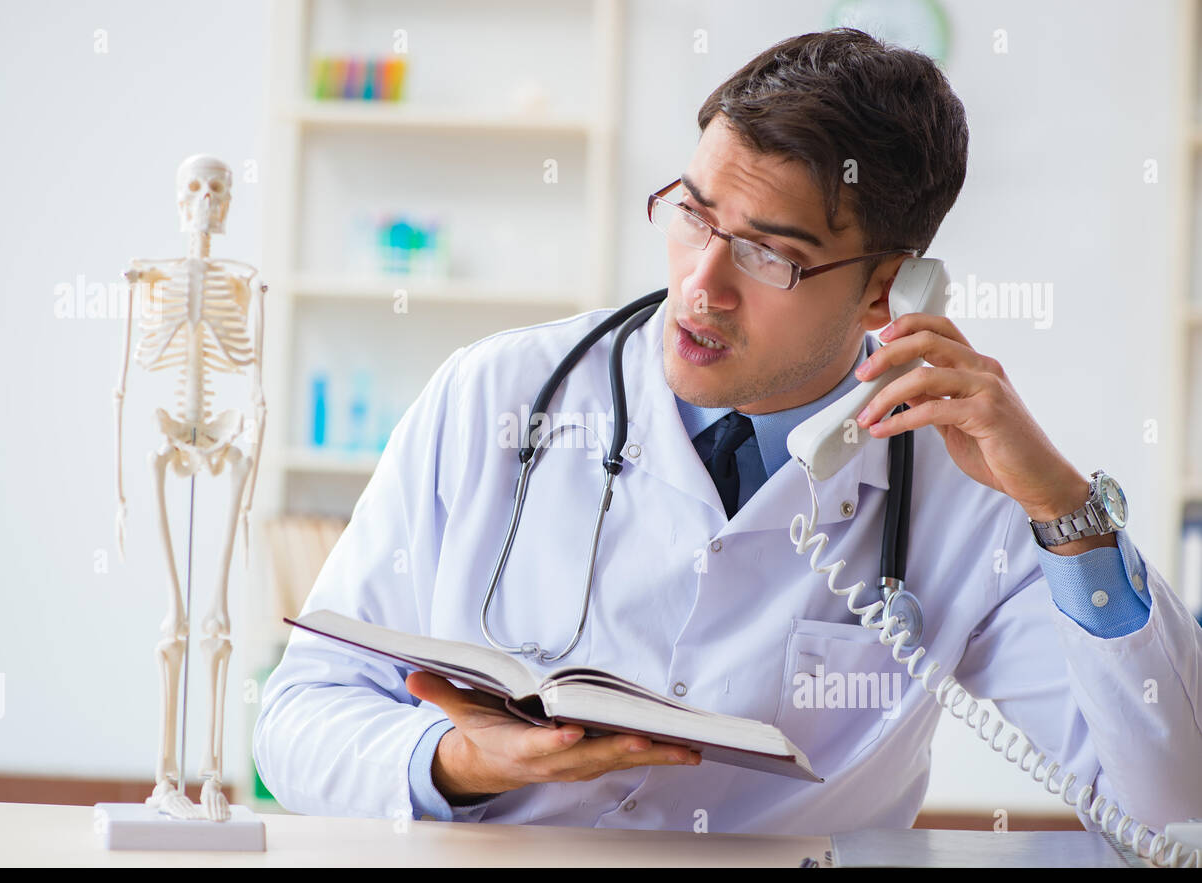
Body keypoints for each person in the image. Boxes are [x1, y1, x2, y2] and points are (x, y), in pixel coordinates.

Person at [253, 28, 1202, 834]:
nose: (701, 284)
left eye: (767, 253)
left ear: (889, 290)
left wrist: (1068, 513)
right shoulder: (499, 396)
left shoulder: (970, 490)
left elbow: (1172, 811)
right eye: (693, 215)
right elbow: (296, 719)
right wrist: (460, 761)